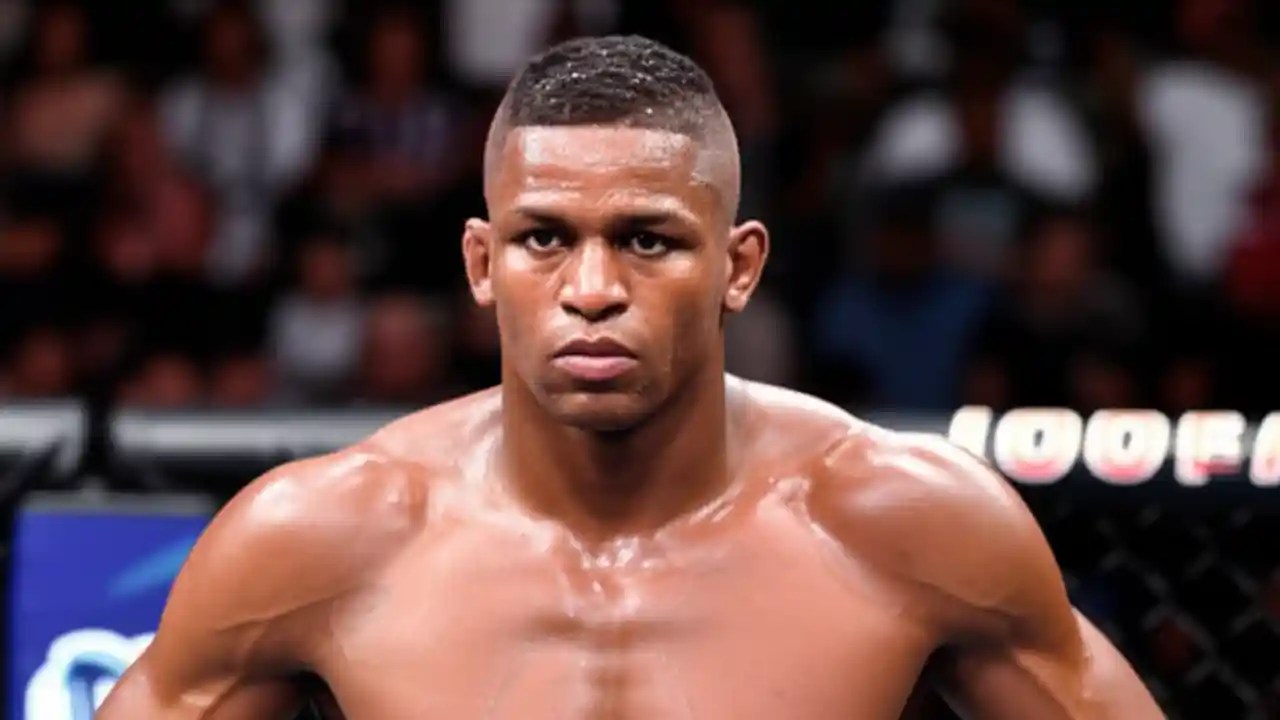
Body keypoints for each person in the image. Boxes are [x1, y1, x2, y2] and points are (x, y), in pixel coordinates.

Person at [98, 35, 1163, 719]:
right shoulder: (322, 536)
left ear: (738, 266)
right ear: (481, 265)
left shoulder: (898, 521)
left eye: (647, 241)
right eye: (544, 240)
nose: (592, 288)